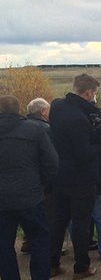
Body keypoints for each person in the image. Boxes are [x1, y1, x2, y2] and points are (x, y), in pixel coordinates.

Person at [0, 95, 60, 280]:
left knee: (3, 243)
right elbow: (52, 162)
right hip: (31, 194)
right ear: (18, 110)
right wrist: (43, 185)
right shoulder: (34, 130)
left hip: (2, 199)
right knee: (40, 238)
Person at [49, 73, 101, 279]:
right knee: (81, 223)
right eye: (94, 94)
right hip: (81, 178)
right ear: (89, 92)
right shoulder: (79, 118)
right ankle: (81, 266)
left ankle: (52, 263)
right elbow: (84, 154)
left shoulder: (57, 107)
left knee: (59, 221)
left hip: (60, 174)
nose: (94, 98)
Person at [20, 98, 52, 254]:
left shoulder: (21, 127)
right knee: (46, 213)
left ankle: (27, 240)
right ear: (43, 111)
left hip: (24, 178)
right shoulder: (45, 129)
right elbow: (50, 156)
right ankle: (48, 246)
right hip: (41, 179)